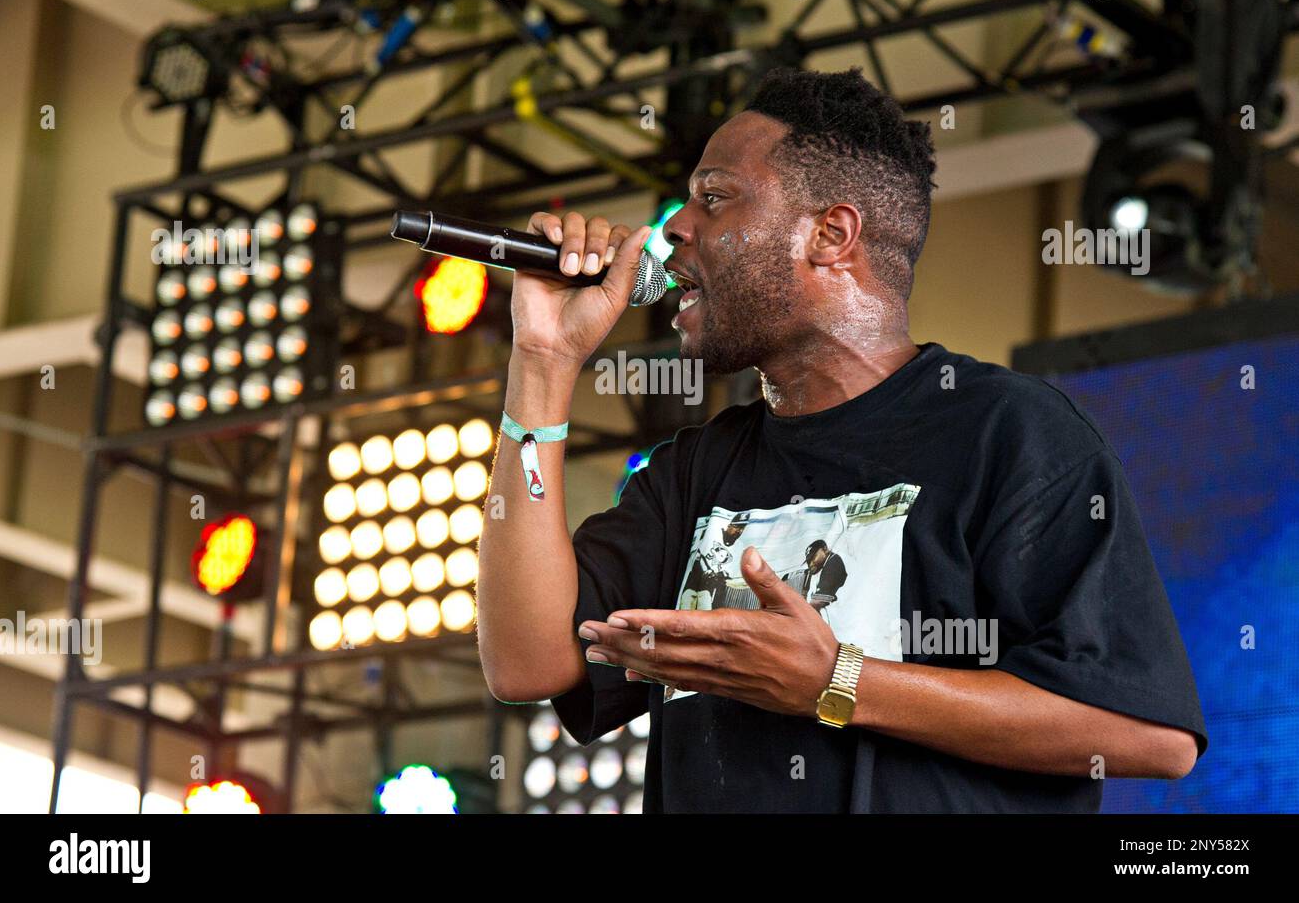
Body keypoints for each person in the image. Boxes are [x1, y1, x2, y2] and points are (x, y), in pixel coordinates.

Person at [476, 66, 1206, 813]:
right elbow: (525, 663)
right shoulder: (694, 472)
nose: (674, 231)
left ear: (831, 235)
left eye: (715, 197)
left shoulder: (1010, 434)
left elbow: (1149, 733)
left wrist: (838, 684)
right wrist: (544, 358)